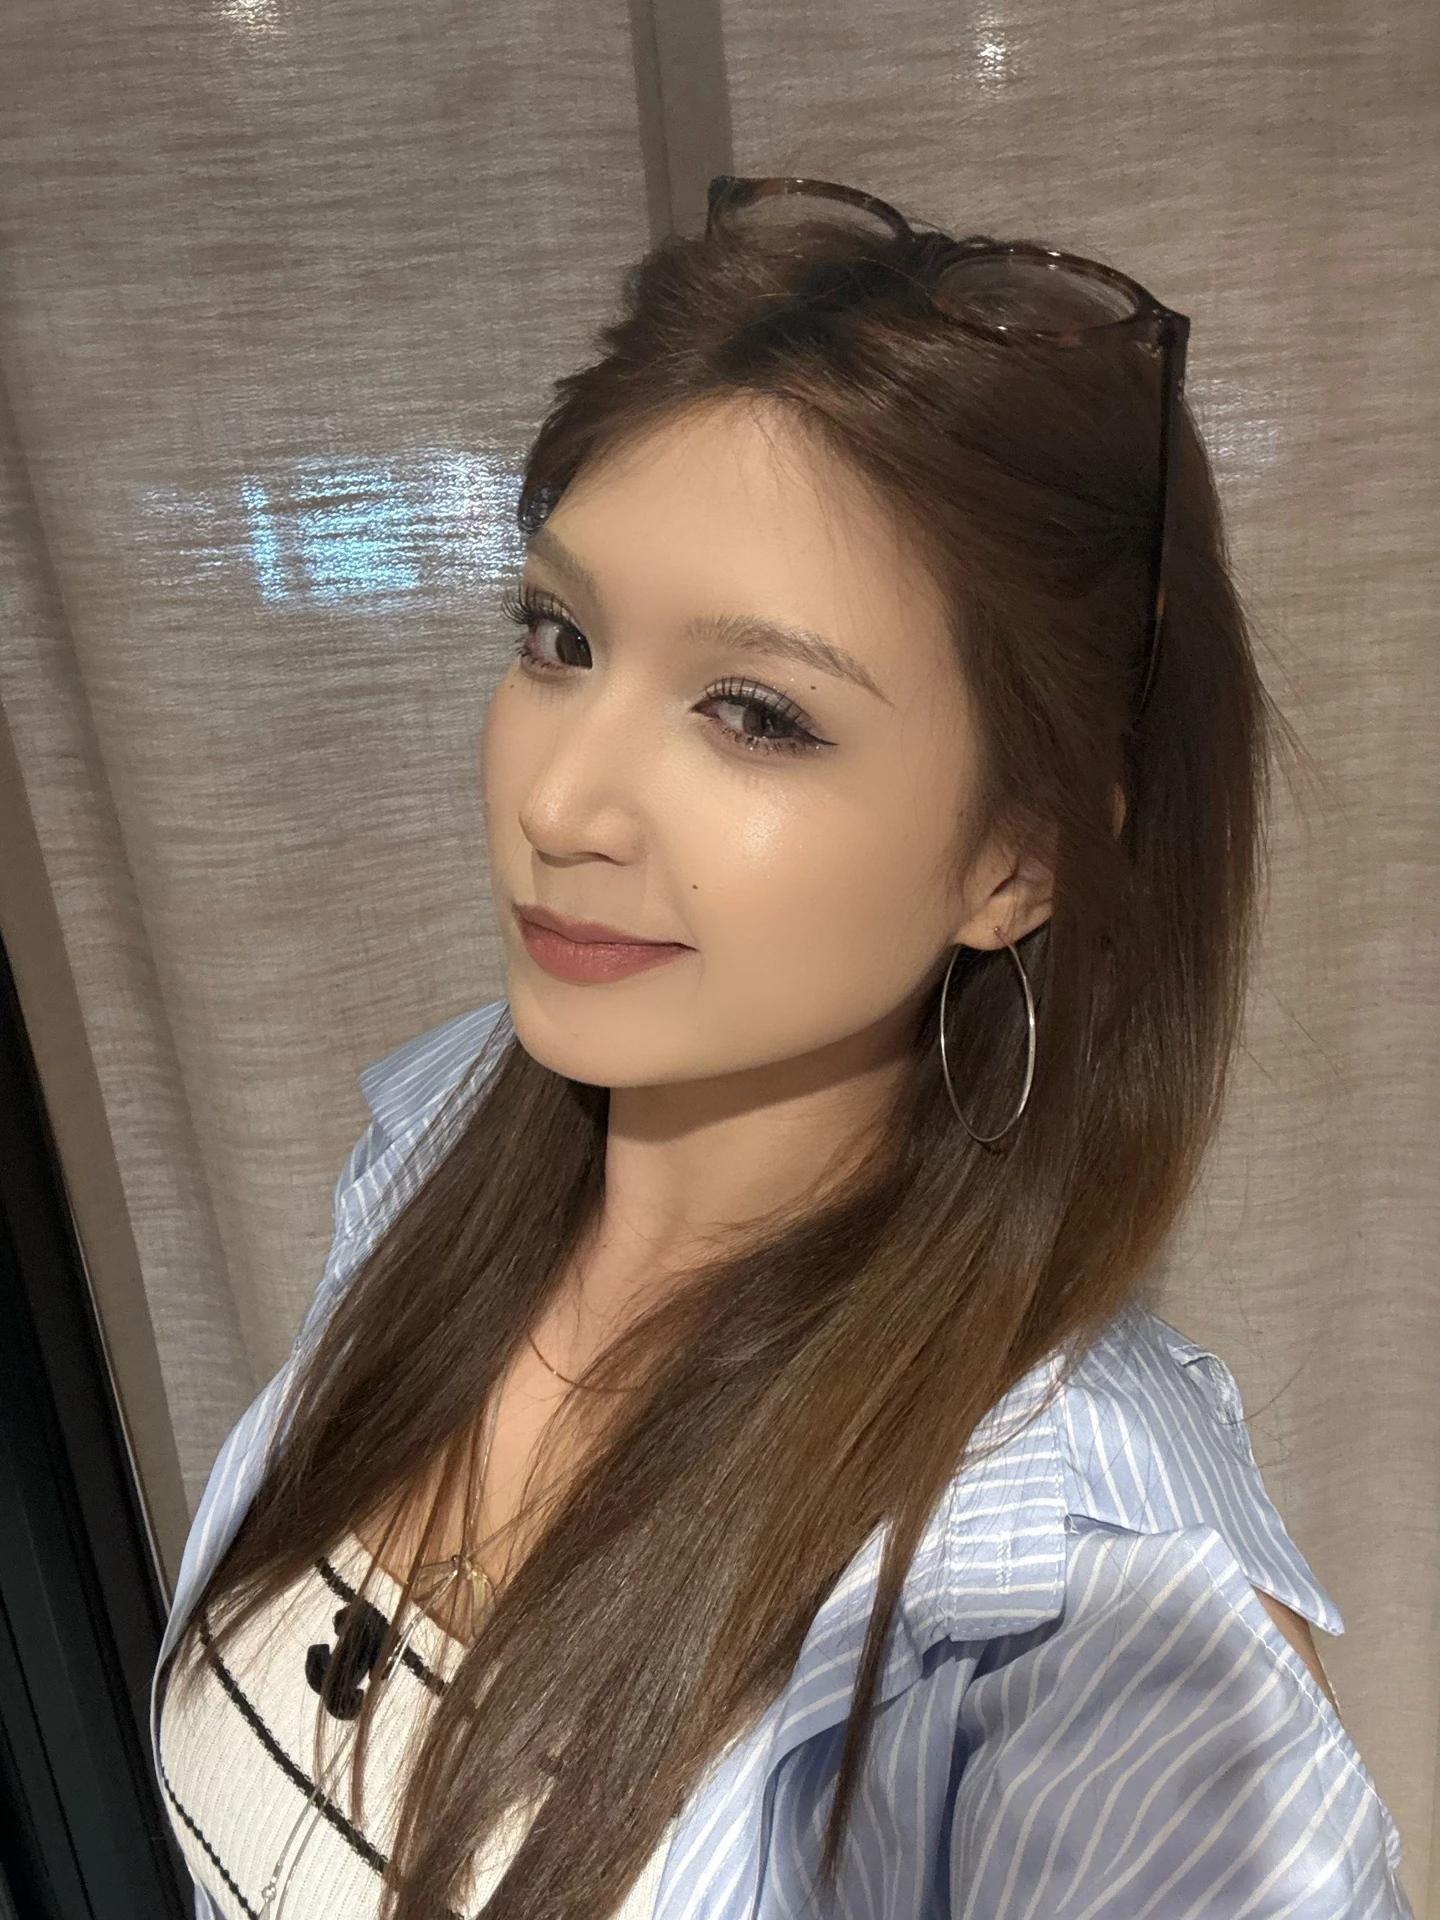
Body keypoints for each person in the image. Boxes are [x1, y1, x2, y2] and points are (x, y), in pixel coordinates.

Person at [150, 176, 1413, 1919]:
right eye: (560, 638)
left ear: (1020, 855)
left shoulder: (1086, 1627)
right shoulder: (439, 1142)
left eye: (755, 712)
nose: (562, 801)